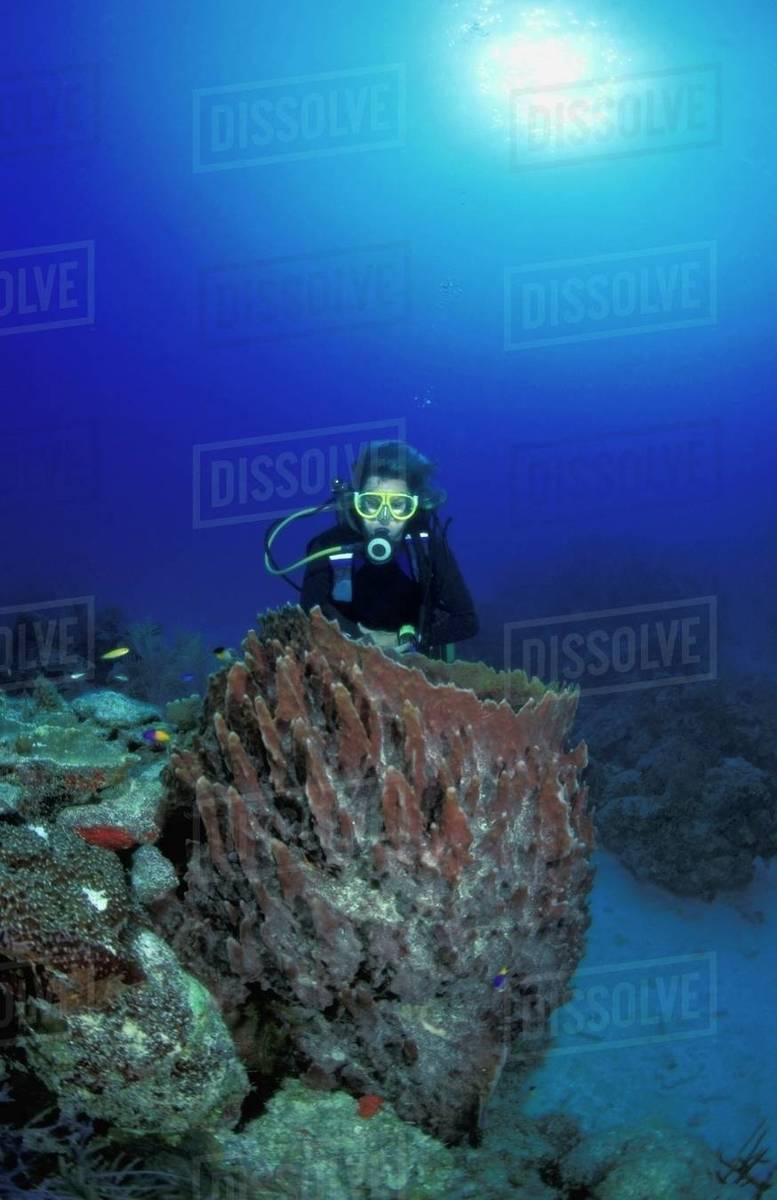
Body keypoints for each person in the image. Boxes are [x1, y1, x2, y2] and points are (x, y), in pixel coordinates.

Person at [299, 440, 478, 658]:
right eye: (372, 503)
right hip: (346, 659)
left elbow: (467, 620)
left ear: (413, 506)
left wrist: (411, 638)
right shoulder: (326, 548)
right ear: (356, 503)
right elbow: (311, 613)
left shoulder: (427, 548)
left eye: (397, 505)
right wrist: (363, 642)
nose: (384, 519)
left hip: (416, 660)